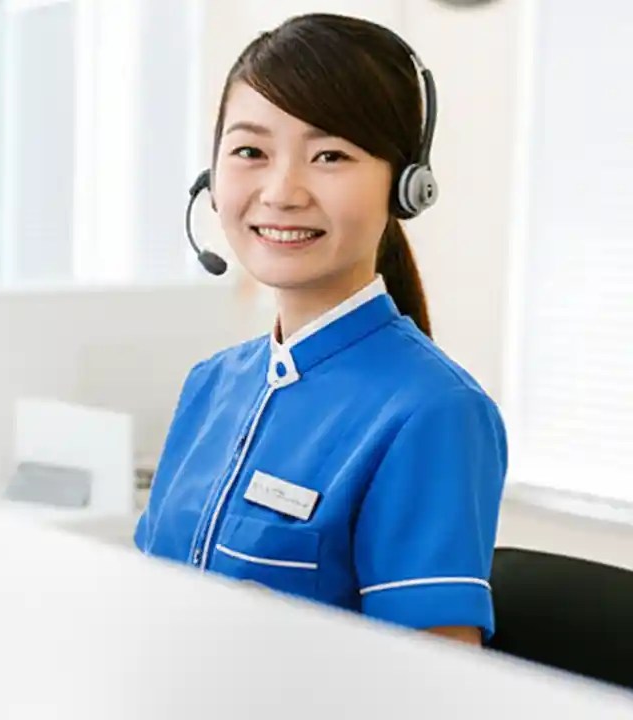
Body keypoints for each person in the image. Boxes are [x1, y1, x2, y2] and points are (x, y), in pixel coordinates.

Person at [134, 13, 507, 646]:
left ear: (406, 188)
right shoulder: (210, 386)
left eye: (330, 155)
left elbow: (436, 695)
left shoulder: (434, 413)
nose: (281, 191)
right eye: (250, 151)